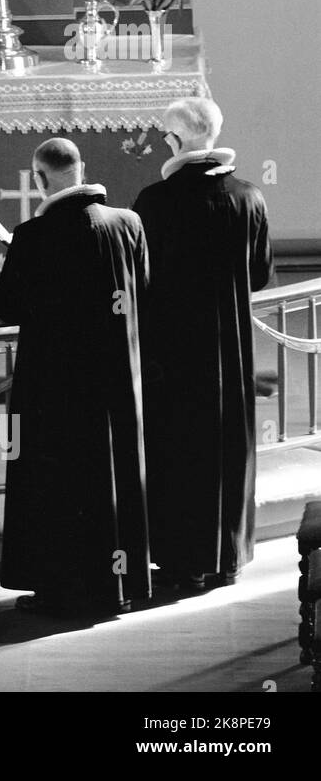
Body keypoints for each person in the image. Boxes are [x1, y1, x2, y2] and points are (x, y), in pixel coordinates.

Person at [0, 138, 151, 617]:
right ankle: (120, 586)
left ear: (41, 179)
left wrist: (11, 256)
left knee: (58, 483)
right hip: (116, 380)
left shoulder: (32, 237)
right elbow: (142, 288)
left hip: (54, 386)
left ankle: (61, 590)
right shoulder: (128, 223)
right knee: (113, 473)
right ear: (82, 169)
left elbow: (8, 308)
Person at [133, 98, 272, 590]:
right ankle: (228, 557)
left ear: (173, 141)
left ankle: (182, 561)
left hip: (174, 349)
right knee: (227, 447)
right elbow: (258, 276)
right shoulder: (249, 196)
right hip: (230, 349)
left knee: (180, 447)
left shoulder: (155, 201)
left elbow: (140, 279)